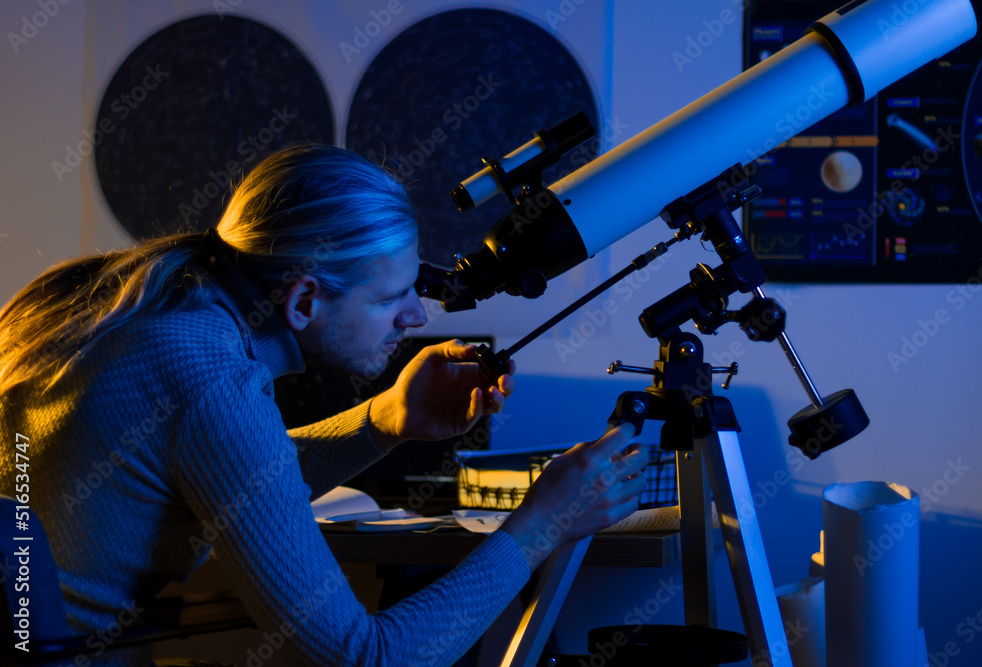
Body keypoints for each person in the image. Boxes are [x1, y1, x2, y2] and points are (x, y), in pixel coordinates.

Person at [0, 143, 647, 666]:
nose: (416, 314)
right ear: (304, 301)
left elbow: (225, 476)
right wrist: (541, 527)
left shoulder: (108, 297)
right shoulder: (209, 378)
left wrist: (382, 419)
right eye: (391, 296)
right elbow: (363, 657)